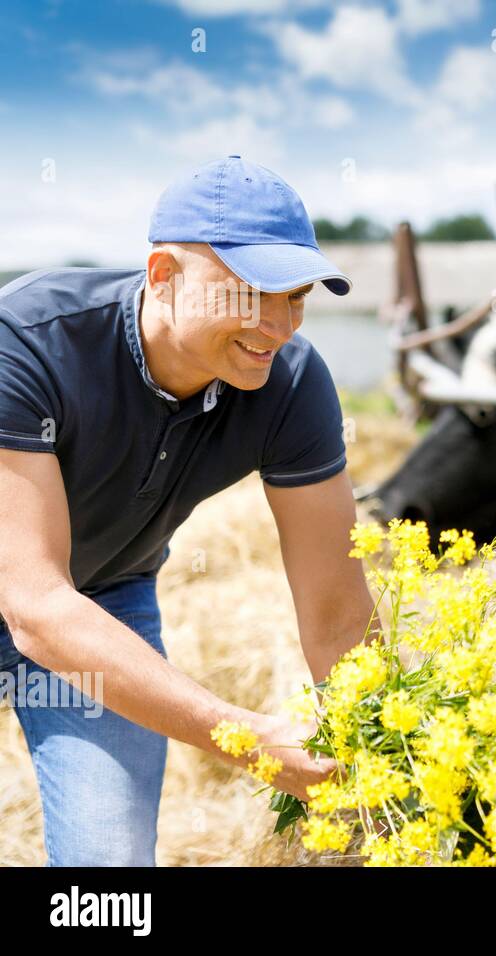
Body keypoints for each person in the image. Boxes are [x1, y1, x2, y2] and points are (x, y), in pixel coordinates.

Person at [0, 155, 376, 865]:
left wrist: (394, 759)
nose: (278, 325)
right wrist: (245, 737)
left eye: (295, 296)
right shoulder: (26, 341)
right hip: (40, 596)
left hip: (103, 597)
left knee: (107, 869)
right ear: (164, 274)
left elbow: (338, 618)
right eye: (250, 294)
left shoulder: (291, 386)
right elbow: (35, 606)